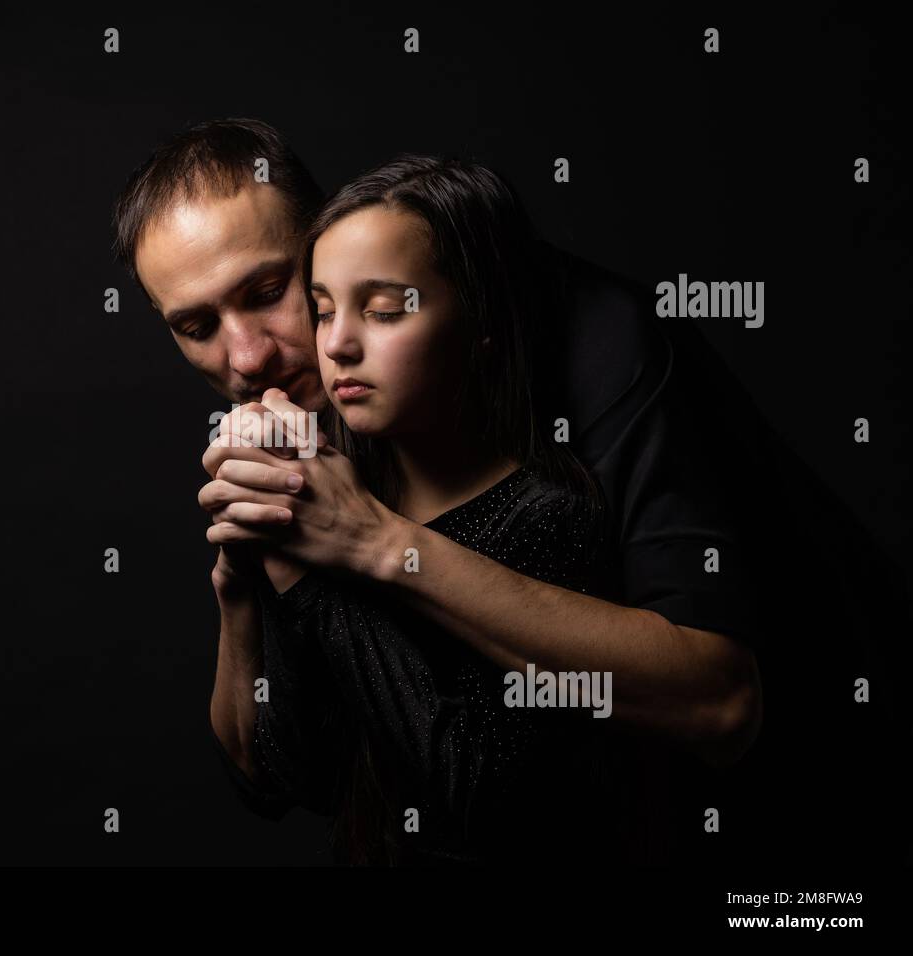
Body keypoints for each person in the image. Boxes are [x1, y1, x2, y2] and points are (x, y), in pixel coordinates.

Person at [110, 119, 910, 864]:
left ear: (326, 242)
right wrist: (243, 581)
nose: (246, 359)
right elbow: (284, 780)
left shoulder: (592, 351)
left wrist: (367, 543)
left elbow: (721, 704)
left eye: (266, 291)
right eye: (196, 326)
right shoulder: (317, 421)